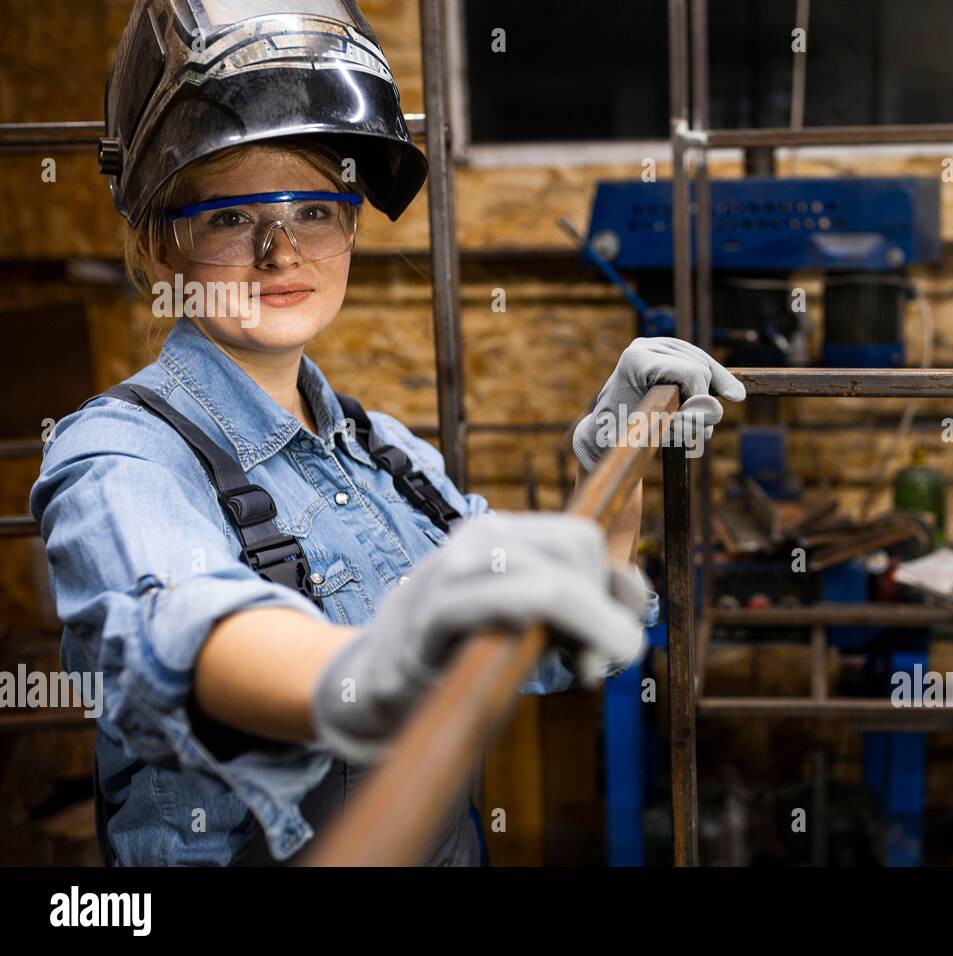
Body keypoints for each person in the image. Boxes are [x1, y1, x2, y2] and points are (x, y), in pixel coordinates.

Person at [29, 0, 744, 866]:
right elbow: (178, 624)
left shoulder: (391, 457)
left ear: (353, 224)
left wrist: (618, 463)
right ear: (156, 249)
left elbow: (551, 644)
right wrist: (364, 674)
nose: (280, 253)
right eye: (229, 218)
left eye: (312, 211)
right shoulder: (118, 457)